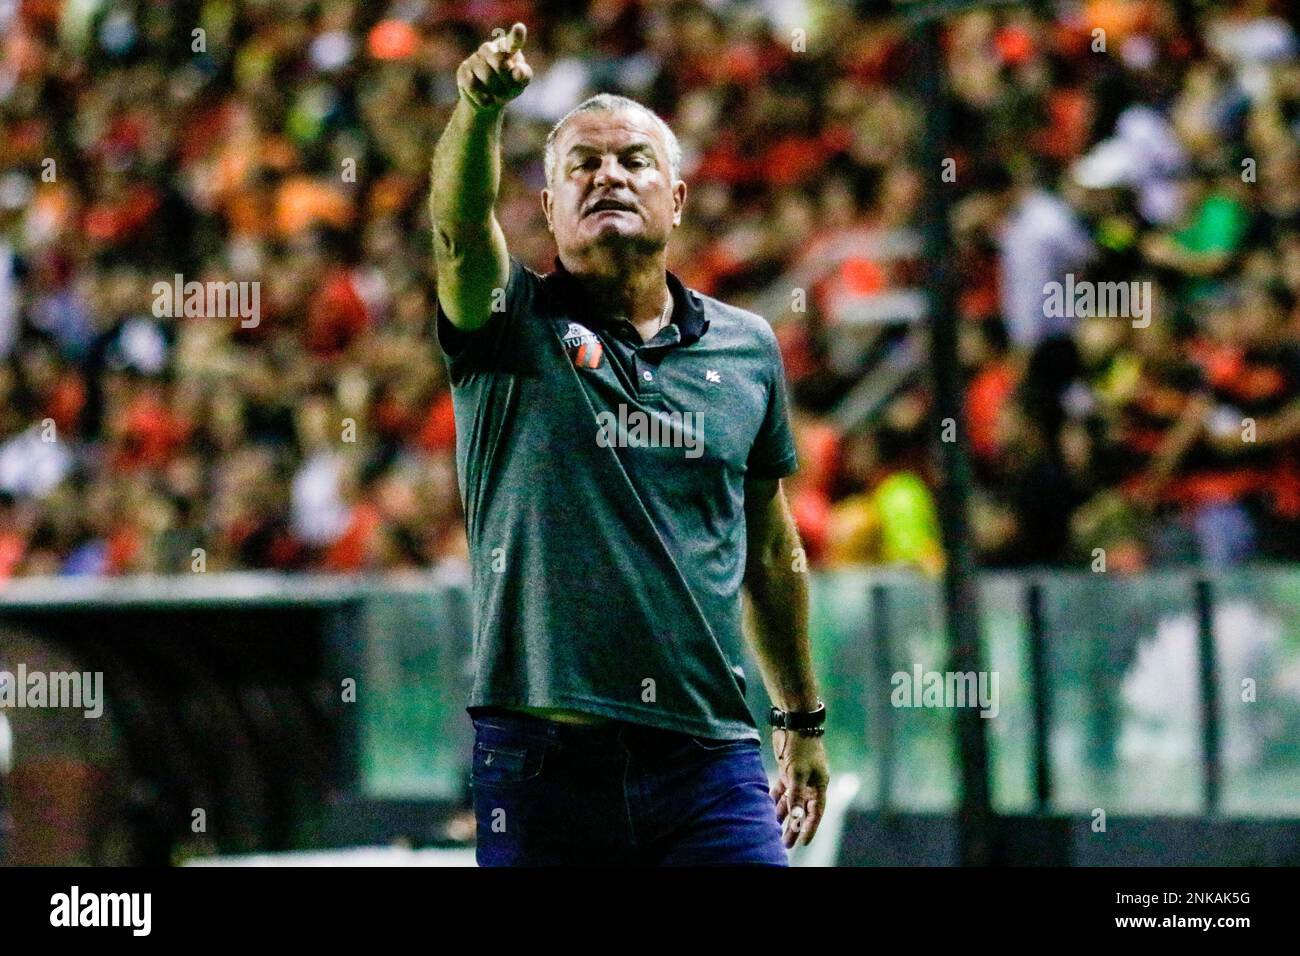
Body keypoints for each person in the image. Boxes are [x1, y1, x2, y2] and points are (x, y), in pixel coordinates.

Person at [430, 22, 829, 865]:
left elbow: (770, 547)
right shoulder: (508, 326)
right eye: (582, 163)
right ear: (546, 208)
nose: (609, 173)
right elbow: (461, 230)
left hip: (711, 760)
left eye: (635, 160)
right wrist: (477, 110)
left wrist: (799, 715)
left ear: (676, 199)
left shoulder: (747, 346)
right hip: (544, 765)